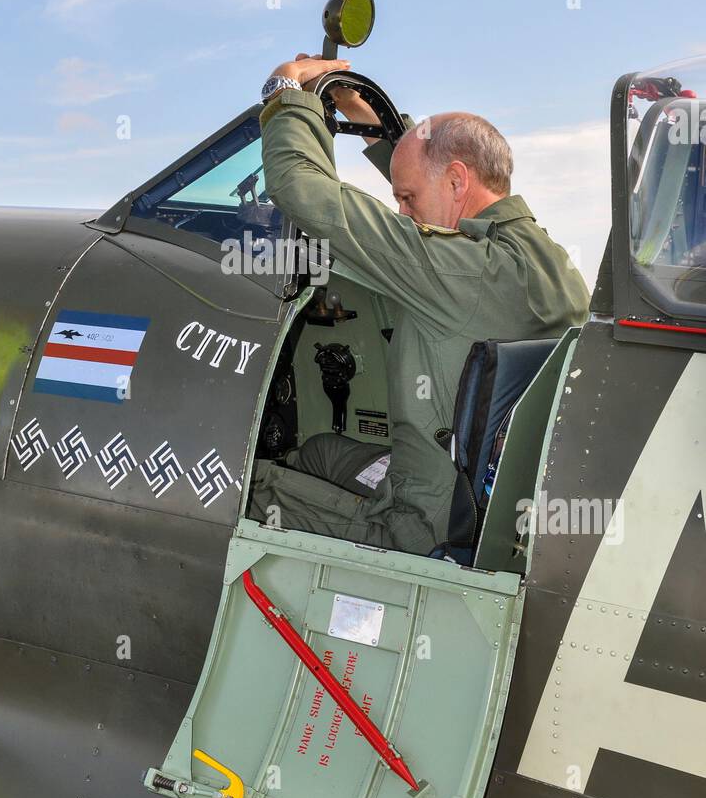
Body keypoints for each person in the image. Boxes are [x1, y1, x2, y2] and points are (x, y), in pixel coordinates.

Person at [247, 54, 591, 555]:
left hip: (415, 527)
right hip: (476, 505)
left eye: (406, 198)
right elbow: (430, 187)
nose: (402, 212)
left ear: (456, 182)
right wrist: (360, 110)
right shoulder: (550, 264)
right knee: (319, 451)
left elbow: (300, 188)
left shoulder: (459, 271)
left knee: (245, 487)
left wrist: (287, 90)